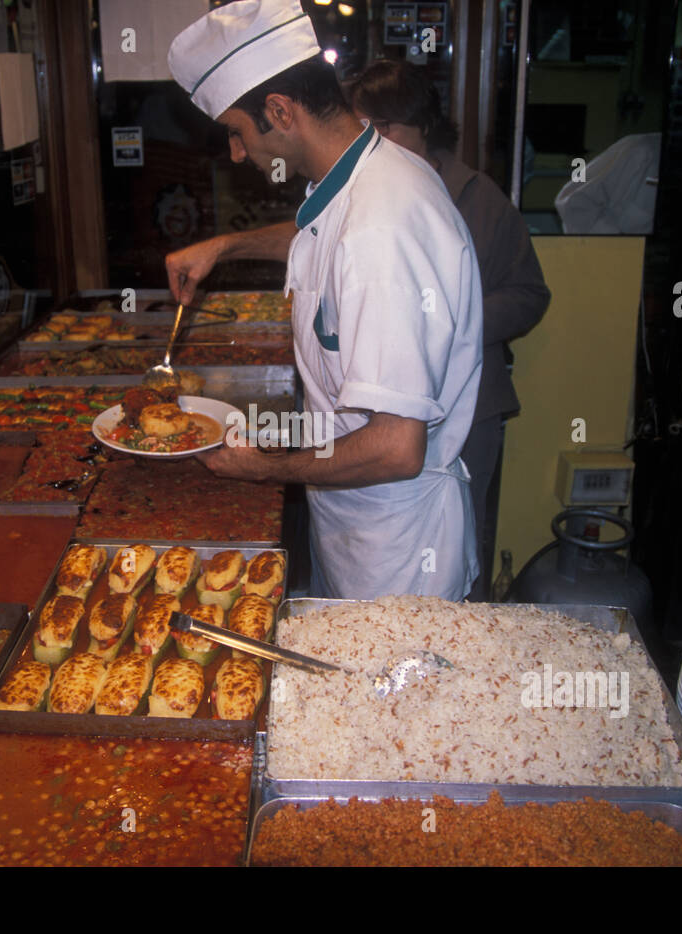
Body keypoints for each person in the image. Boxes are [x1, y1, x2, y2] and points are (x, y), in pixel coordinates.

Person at [164, 0, 484, 601]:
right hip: (354, 523)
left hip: (397, 559)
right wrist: (226, 248)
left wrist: (266, 467)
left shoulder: (382, 227)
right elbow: (320, 242)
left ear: (280, 111)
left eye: (237, 131)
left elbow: (395, 447)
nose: (237, 153)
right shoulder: (357, 176)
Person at [346, 60, 550, 600]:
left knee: (462, 542)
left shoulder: (479, 198)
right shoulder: (358, 192)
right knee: (382, 553)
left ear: (422, 125)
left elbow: (531, 294)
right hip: (381, 412)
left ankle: (467, 662)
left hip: (469, 406)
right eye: (365, 127)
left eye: (385, 127)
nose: (375, 141)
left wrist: (452, 323)